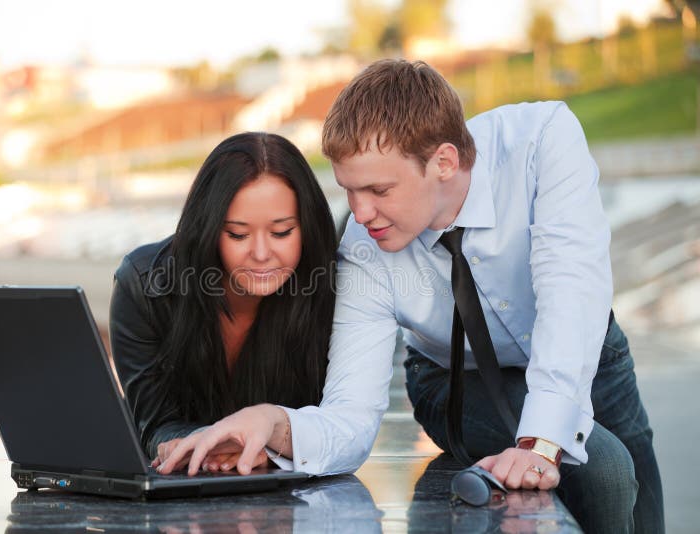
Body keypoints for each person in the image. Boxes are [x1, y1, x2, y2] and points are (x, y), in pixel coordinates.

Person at [157, 60, 663, 533]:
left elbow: (570, 290)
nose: (361, 213)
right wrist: (270, 422)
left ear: (443, 161)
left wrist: (538, 442)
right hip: (454, 380)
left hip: (587, 350)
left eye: (378, 190)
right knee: (607, 470)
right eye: (349, 191)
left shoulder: (542, 141)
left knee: (642, 492)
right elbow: (350, 417)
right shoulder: (362, 247)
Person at [109, 132, 337, 475]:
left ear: (307, 228)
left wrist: (273, 446)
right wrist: (208, 441)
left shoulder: (332, 287)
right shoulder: (144, 286)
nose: (261, 254)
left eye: (281, 232)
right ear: (208, 229)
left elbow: (338, 422)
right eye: (238, 234)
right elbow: (155, 422)